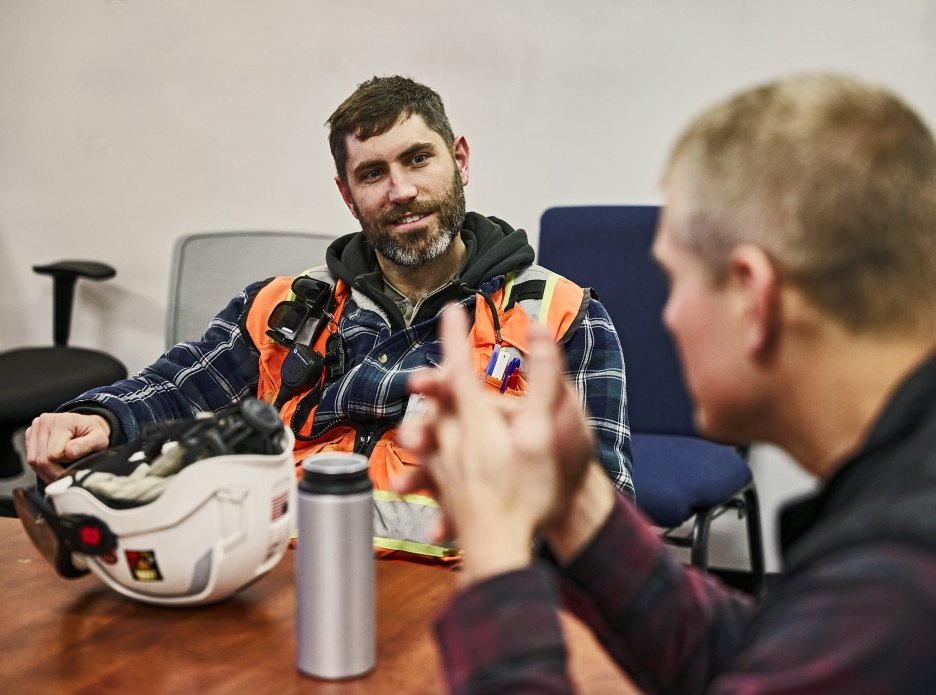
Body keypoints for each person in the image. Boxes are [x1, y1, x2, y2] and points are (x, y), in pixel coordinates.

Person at [397, 73, 936, 691]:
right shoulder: (891, 525)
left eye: (674, 281)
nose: (669, 316)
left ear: (752, 297)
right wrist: (578, 502)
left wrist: (496, 548)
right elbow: (752, 655)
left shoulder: (899, 593)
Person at [24, 75, 633, 560]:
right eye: (372, 173)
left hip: (462, 604)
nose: (400, 190)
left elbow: (607, 513)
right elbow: (180, 386)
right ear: (347, 194)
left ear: (460, 160)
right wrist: (97, 416)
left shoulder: (560, 318)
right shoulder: (289, 306)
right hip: (276, 584)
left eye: (418, 159)